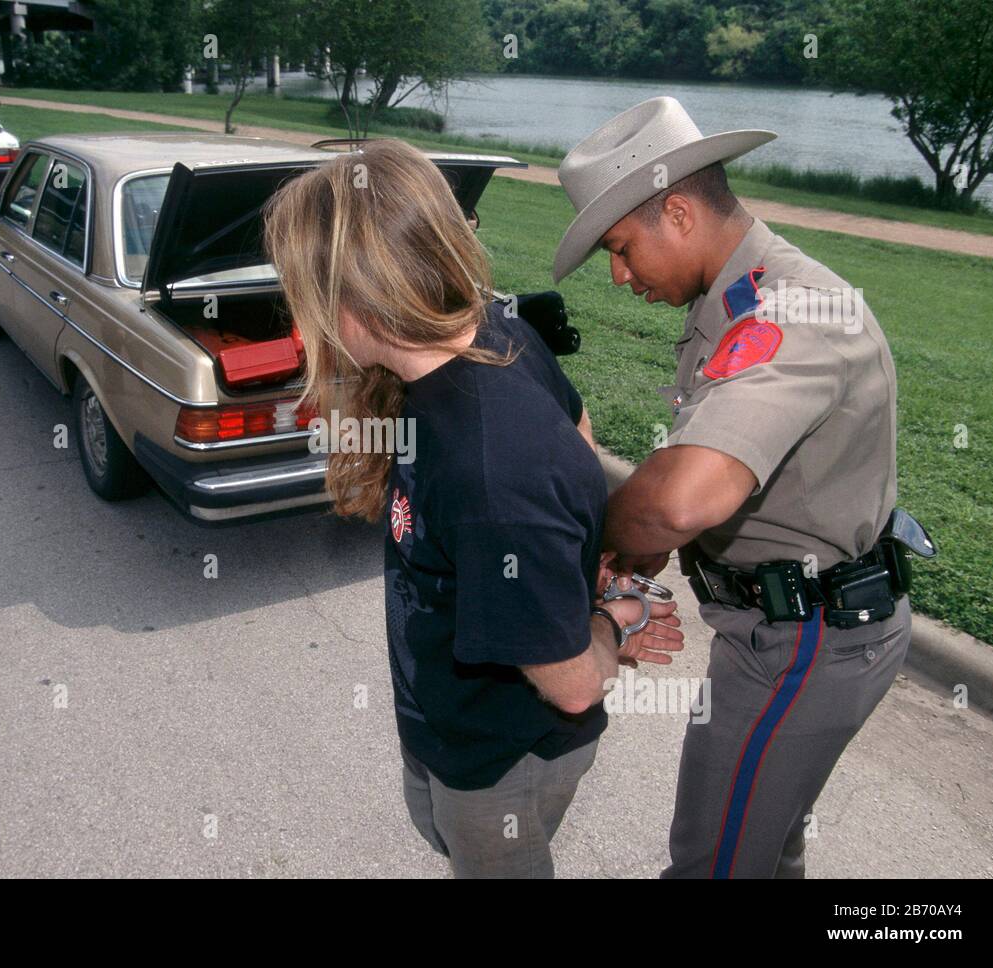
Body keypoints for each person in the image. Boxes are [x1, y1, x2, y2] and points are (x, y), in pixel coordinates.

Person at [264, 139, 683, 878]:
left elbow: (578, 683)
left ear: (354, 300)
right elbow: (579, 439)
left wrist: (613, 620)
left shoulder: (491, 474)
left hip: (504, 755)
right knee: (439, 831)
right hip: (444, 717)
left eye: (302, 291)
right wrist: (576, 579)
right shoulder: (495, 332)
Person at [552, 97, 926, 877]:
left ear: (678, 213)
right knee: (767, 847)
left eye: (621, 249)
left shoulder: (793, 311)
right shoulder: (738, 298)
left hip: (802, 642)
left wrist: (607, 543)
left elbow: (682, 497)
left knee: (714, 863)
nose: (619, 277)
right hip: (788, 625)